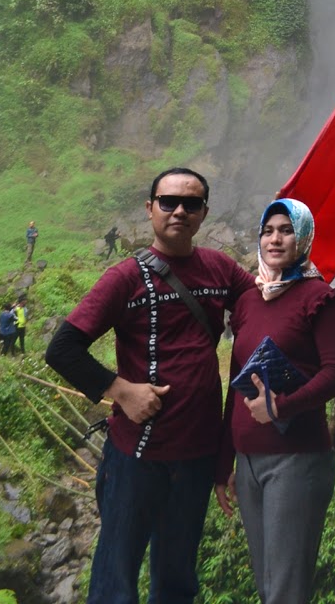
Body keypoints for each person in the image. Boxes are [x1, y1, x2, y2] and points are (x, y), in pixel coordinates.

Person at [46, 166, 255, 604]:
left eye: (191, 203)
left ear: (204, 213)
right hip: (136, 455)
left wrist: (311, 291)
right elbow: (62, 349)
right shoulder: (124, 278)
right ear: (150, 208)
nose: (179, 211)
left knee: (177, 581)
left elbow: (261, 305)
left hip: (197, 456)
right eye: (169, 202)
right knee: (115, 579)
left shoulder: (221, 269)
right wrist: (121, 390)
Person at [215, 198, 335, 604]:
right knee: (266, 585)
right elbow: (236, 386)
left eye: (286, 230)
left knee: (285, 591)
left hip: (297, 458)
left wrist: (280, 407)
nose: (275, 239)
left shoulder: (318, 297)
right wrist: (224, 464)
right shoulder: (248, 301)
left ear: (303, 238)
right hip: (248, 462)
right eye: (268, 231)